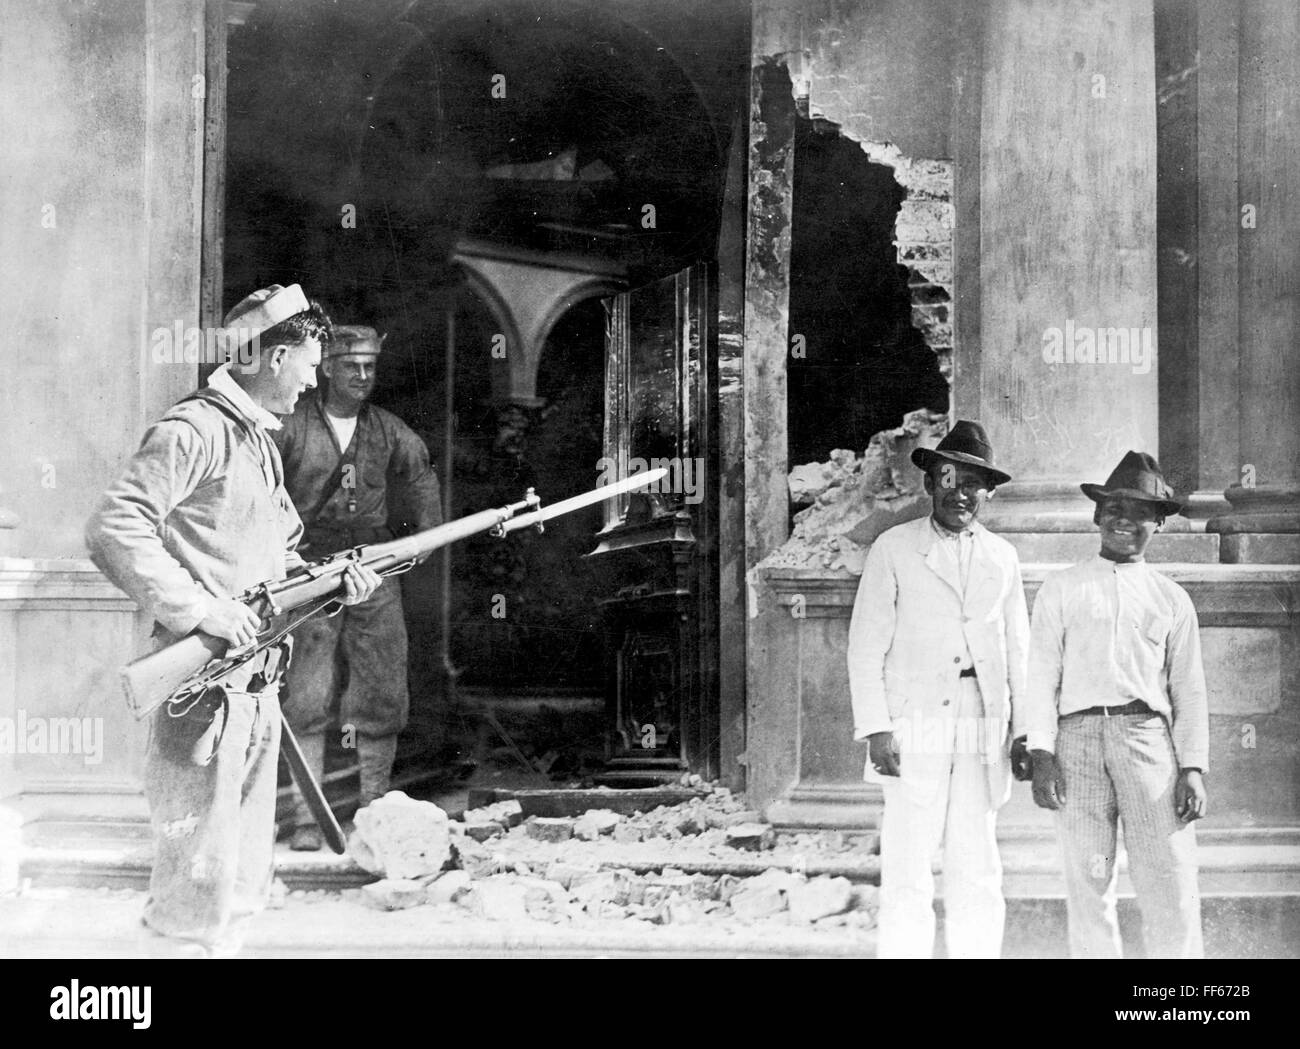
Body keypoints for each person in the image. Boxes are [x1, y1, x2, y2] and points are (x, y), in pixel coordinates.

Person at [86, 284, 381, 957]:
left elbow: (276, 566)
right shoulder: (194, 431)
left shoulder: (254, 439)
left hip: (254, 697)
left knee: (240, 894)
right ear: (273, 357)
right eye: (309, 363)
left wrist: (339, 587)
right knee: (193, 903)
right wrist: (198, 608)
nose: (314, 380)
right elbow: (112, 527)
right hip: (205, 699)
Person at [847, 420, 1029, 958]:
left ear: (988, 492)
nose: (961, 493)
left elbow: (1017, 650)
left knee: (977, 866)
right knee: (908, 866)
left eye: (974, 483)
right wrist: (877, 727)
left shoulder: (1003, 557)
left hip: (981, 721)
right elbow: (865, 647)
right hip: (913, 723)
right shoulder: (894, 549)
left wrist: (1023, 731)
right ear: (930, 484)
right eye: (949, 478)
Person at [1025, 451, 1208, 959]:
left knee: (1168, 879)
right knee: (1089, 878)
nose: (1124, 522)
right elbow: (1041, 675)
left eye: (1141, 513)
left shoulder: (1169, 598)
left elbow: (1188, 689)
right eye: (1114, 509)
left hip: (1146, 739)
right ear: (1097, 516)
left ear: (1159, 524)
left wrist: (1193, 766)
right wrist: (1042, 753)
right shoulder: (1061, 587)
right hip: (1077, 742)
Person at [274, 324, 442, 851]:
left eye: (371, 367)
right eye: (352, 366)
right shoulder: (289, 426)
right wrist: (277, 562)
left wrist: (413, 549)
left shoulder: (390, 431)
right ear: (326, 367)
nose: (363, 376)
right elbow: (259, 492)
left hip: (373, 573)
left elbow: (421, 486)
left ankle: (374, 812)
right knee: (306, 693)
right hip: (305, 573)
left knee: (381, 687)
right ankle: (305, 821)